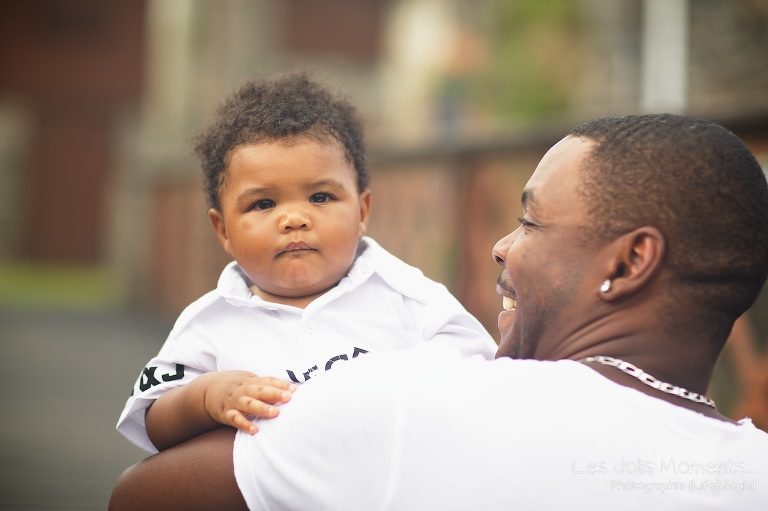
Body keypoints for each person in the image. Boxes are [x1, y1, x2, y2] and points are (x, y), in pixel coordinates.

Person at [109, 113, 768, 510]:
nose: (500, 246)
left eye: (530, 221)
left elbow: (140, 498)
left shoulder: (406, 403)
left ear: (629, 262)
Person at [116, 71, 497, 454]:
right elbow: (153, 420)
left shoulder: (406, 294)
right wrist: (206, 397)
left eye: (320, 197)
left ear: (362, 211)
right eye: (264, 204)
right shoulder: (208, 322)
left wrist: (394, 376)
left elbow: (478, 363)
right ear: (223, 230)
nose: (294, 219)